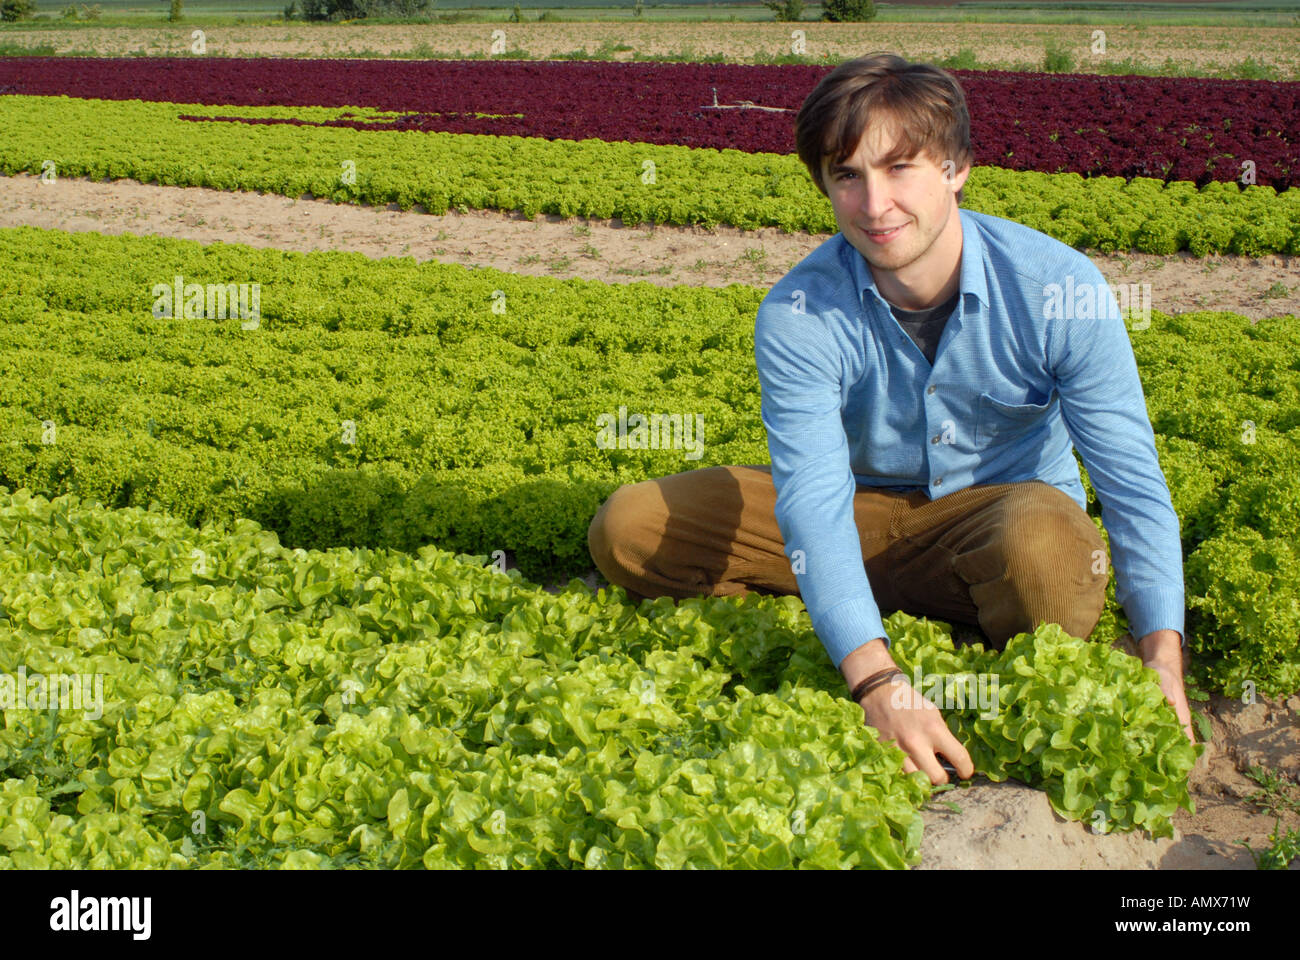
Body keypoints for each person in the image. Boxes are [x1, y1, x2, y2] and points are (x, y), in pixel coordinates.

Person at [586, 52, 1194, 785]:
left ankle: (856, 603)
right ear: (824, 184)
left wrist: (1162, 649)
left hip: (997, 518)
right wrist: (877, 681)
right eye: (847, 175)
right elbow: (812, 499)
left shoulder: (1060, 288)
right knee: (630, 528)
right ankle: (870, 611)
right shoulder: (798, 312)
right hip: (857, 511)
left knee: (1047, 553)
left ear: (956, 167)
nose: (875, 206)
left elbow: (1130, 478)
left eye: (900, 168)